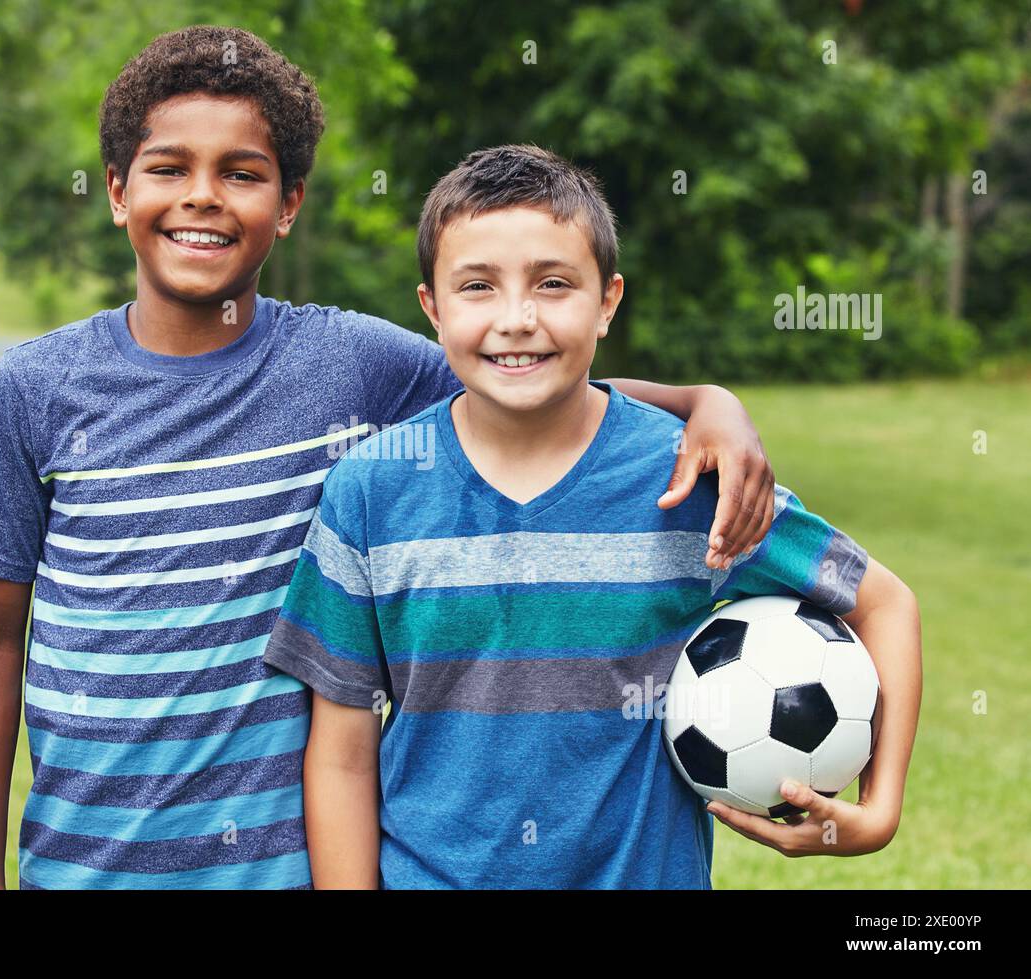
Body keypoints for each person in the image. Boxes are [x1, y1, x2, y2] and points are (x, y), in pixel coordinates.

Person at [0, 28, 778, 890]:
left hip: (281, 871)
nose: (203, 197)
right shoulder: (34, 390)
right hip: (81, 868)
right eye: (167, 169)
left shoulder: (352, 365)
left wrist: (701, 402)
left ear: (290, 201)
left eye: (242, 173)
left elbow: (520, 381)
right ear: (117, 191)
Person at [262, 144, 921, 888]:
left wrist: (883, 803)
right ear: (432, 307)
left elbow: (884, 600)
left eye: (553, 284)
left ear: (606, 302)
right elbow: (343, 747)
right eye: (477, 286)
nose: (517, 318)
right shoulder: (372, 493)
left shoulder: (688, 478)